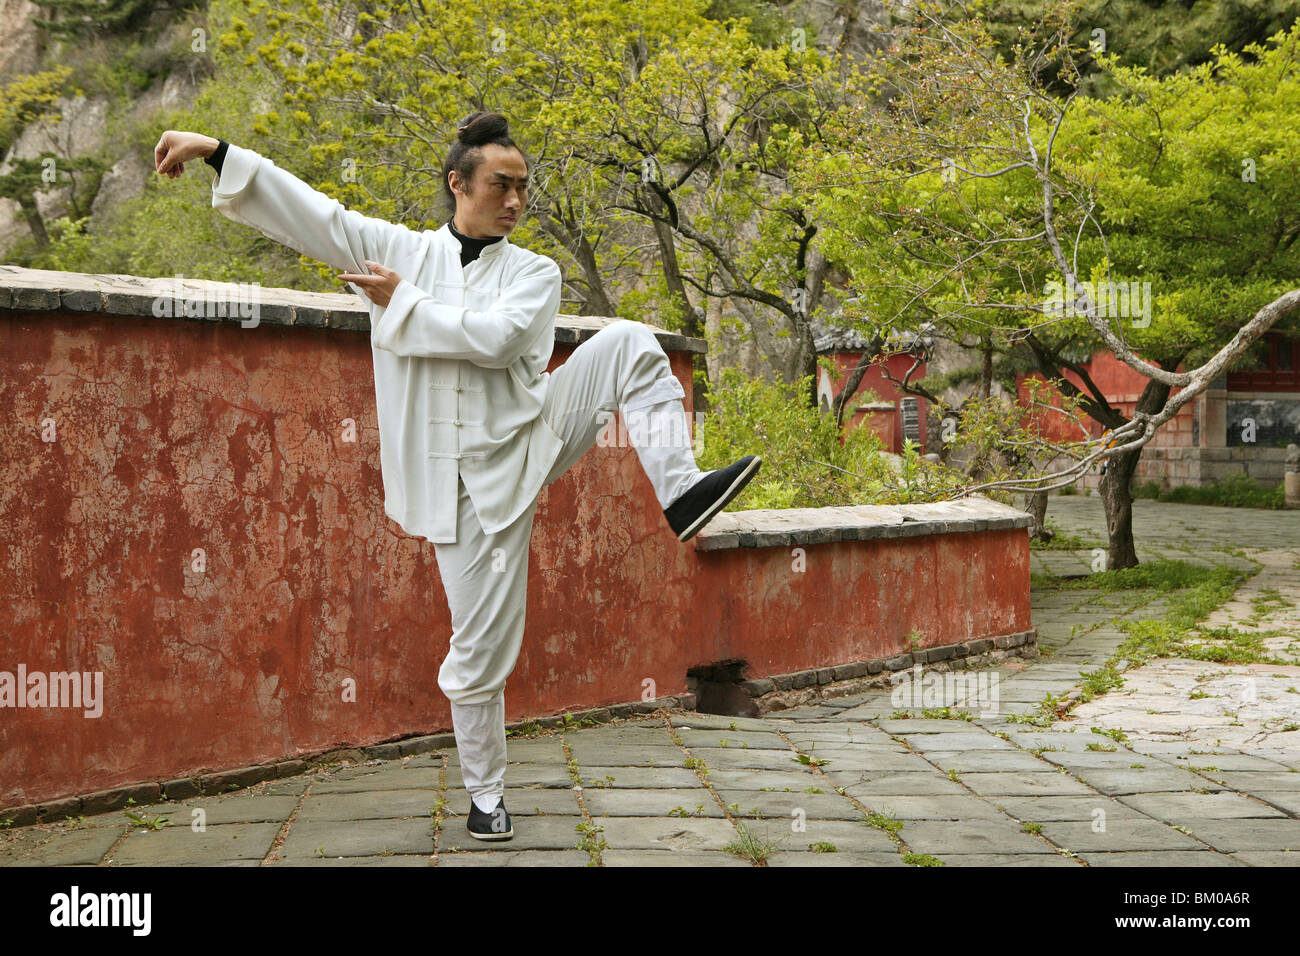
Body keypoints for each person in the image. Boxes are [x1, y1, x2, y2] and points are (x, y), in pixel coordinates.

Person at [153, 113, 761, 842]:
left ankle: (681, 489)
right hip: (459, 491)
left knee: (629, 340)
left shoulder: (534, 272)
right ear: (458, 184)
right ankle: (486, 795)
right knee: (481, 650)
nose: (515, 201)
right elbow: (315, 215)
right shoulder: (397, 251)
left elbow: (498, 343)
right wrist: (220, 153)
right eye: (501, 185)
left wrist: (399, 304)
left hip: (532, 434)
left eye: (523, 189)